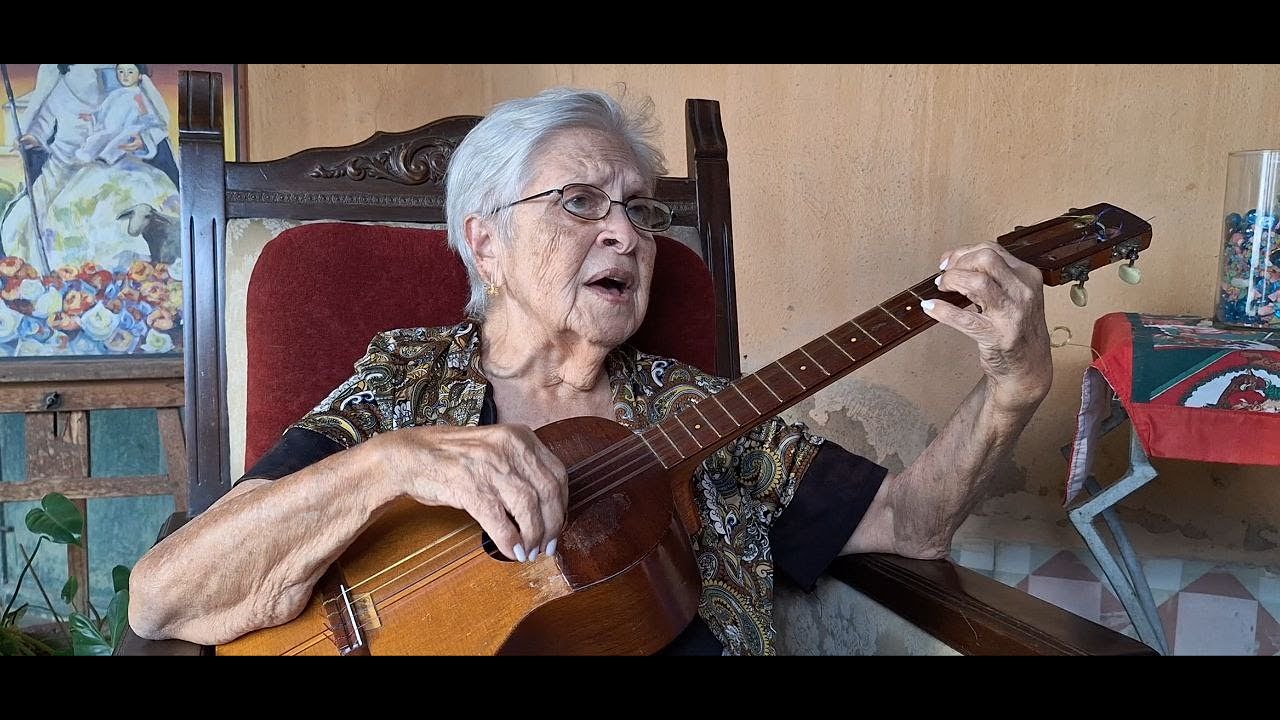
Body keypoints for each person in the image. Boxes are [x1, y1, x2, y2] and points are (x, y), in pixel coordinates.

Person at [127, 87, 1052, 655]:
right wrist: (388, 464)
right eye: (579, 203)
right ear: (485, 244)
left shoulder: (701, 412)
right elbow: (162, 597)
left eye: (639, 212)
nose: (625, 233)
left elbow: (911, 522)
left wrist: (1010, 391)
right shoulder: (404, 383)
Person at [0, 64, 178, 274]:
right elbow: (43, 120)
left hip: (111, 161)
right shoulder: (56, 76)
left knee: (106, 205)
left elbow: (152, 121)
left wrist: (143, 139)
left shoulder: (119, 73)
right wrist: (33, 137)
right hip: (61, 164)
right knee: (23, 223)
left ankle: (118, 267)